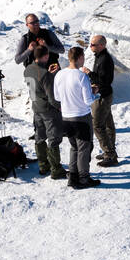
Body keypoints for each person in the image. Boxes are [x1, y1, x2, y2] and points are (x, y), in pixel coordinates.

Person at [54, 46, 100, 190]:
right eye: (83, 57)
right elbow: (88, 101)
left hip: (66, 117)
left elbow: (57, 97)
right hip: (81, 117)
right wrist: (94, 93)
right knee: (84, 149)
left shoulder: (59, 74)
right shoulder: (82, 76)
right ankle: (84, 178)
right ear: (80, 57)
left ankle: (73, 176)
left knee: (74, 147)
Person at [24, 45, 66, 179]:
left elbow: (38, 84)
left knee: (40, 136)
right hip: (48, 109)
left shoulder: (28, 69)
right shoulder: (45, 75)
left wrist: (49, 74)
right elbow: (52, 97)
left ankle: (43, 165)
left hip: (36, 107)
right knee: (54, 138)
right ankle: (56, 169)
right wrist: (60, 107)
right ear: (46, 56)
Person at [88, 34, 118, 166]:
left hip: (102, 96)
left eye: (93, 44)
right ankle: (110, 151)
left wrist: (89, 74)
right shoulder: (100, 57)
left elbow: (105, 81)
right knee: (107, 124)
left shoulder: (104, 59)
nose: (91, 46)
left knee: (98, 125)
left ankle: (110, 154)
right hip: (103, 95)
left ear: (102, 45)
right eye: (90, 44)